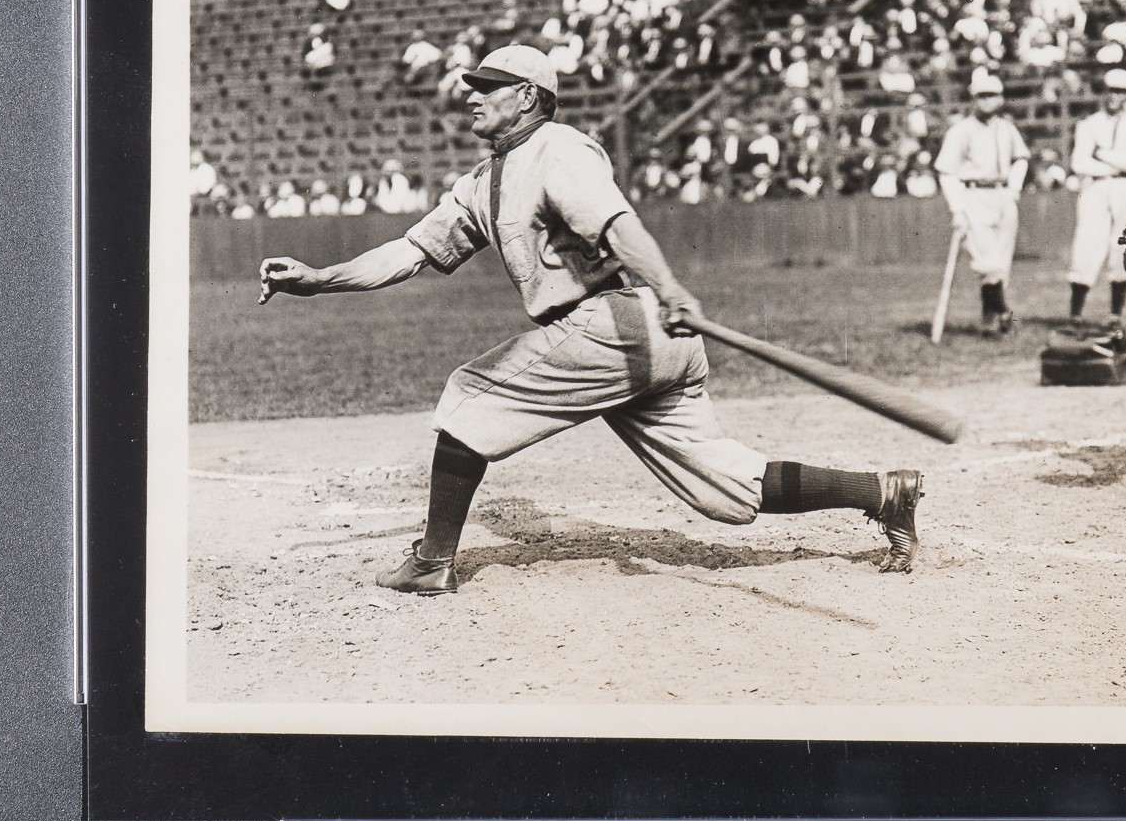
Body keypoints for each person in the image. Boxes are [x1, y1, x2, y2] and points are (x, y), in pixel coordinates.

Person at [258, 44, 926, 594]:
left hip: (616, 321)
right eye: (472, 84)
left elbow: (617, 222)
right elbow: (409, 253)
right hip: (645, 341)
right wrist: (318, 281)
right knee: (725, 490)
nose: (472, 94)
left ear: (529, 96)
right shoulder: (482, 181)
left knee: (468, 396)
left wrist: (668, 286)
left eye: (489, 85)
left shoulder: (559, 150)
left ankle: (431, 563)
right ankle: (880, 491)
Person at [935, 67, 1029, 337]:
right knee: (989, 263)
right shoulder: (961, 130)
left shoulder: (1006, 128)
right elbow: (946, 171)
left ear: (1000, 99)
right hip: (974, 194)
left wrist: (1014, 187)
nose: (988, 101)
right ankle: (1004, 312)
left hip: (1003, 194)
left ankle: (990, 323)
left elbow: (1021, 157)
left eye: (993, 95)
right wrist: (957, 208)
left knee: (1001, 263)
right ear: (973, 99)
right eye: (982, 96)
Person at [1066, 68, 1126, 327]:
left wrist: (1103, 154)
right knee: (1087, 243)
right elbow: (1079, 163)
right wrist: (1116, 164)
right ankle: (1076, 314)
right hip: (1097, 187)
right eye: (1110, 90)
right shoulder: (1089, 124)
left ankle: (1115, 314)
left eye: (1120, 91)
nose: (1114, 96)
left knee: (1123, 247)